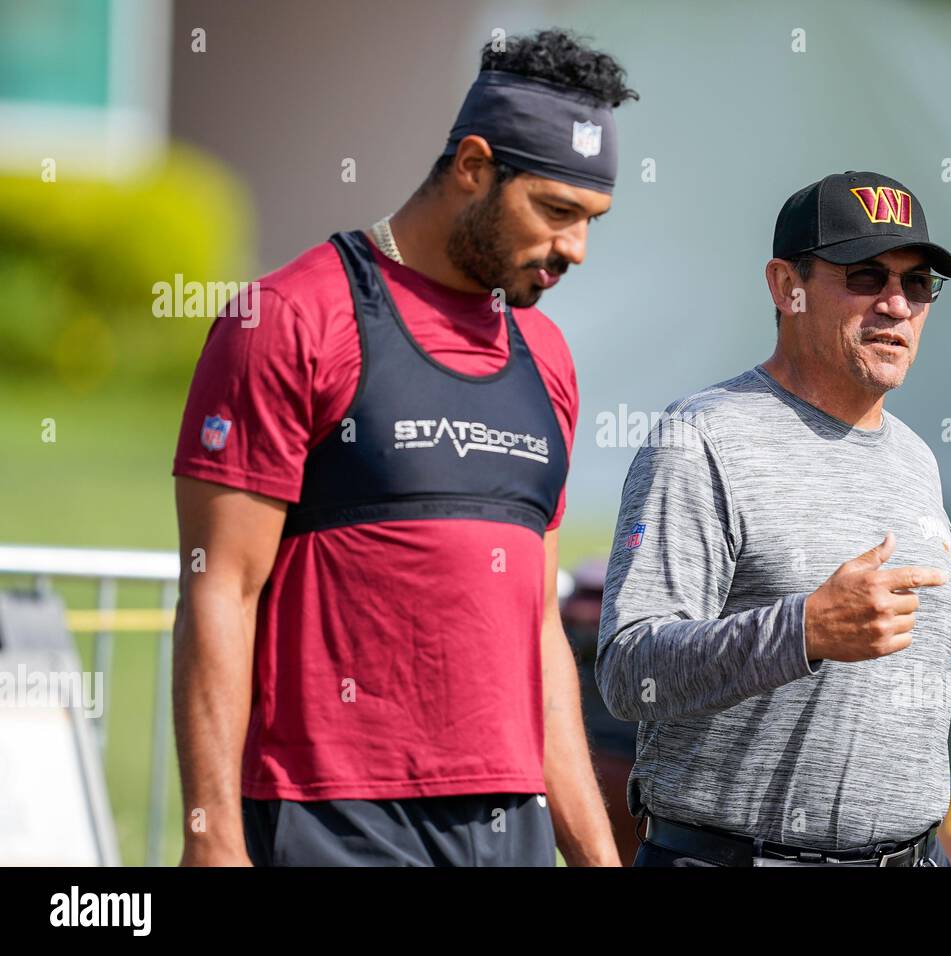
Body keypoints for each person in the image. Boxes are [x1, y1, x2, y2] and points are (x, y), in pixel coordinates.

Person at [172, 29, 635, 867]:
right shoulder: (291, 317)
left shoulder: (549, 360)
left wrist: (598, 856)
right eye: (556, 212)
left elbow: (536, 628)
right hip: (332, 819)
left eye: (591, 220)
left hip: (505, 825)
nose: (575, 249)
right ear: (472, 165)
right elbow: (220, 596)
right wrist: (212, 840)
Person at [597, 171, 951, 866]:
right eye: (866, 275)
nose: (896, 304)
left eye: (917, 284)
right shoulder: (703, 437)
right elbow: (629, 670)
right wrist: (804, 629)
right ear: (784, 286)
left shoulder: (918, 460)